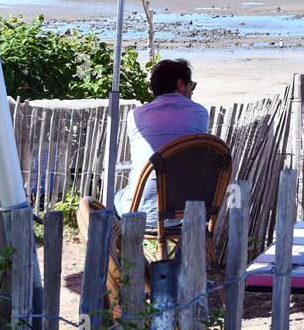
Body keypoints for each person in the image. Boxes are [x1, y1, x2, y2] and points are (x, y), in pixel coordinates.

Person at [78, 59, 209, 235]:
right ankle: (182, 258)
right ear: (180, 84)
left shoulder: (136, 116)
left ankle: (129, 255)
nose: (191, 91)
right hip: (188, 211)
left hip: (141, 212)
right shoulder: (200, 113)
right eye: (191, 86)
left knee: (117, 198)